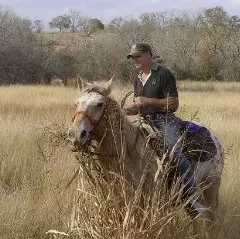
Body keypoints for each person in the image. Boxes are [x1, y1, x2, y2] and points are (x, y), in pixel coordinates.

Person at [124, 42, 204, 215]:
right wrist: (124, 110)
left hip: (164, 120)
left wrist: (148, 101)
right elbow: (139, 105)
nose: (135, 60)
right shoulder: (136, 77)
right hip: (143, 120)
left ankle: (193, 198)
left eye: (138, 56)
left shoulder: (163, 74)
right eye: (133, 57)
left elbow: (174, 104)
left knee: (175, 153)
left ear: (149, 55)